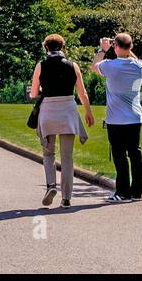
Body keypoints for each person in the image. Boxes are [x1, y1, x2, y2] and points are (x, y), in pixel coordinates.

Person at [31, 34, 94, 208]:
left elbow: (34, 93)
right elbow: (82, 92)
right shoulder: (73, 66)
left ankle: (51, 185)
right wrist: (88, 112)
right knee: (67, 157)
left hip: (48, 112)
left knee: (48, 153)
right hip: (68, 111)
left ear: (46, 48)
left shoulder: (41, 65)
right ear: (63, 47)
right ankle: (66, 198)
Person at [95, 33, 142, 202]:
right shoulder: (139, 66)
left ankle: (123, 192)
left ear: (115, 47)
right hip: (135, 117)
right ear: (131, 47)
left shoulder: (110, 65)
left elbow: (95, 66)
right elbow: (133, 57)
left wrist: (103, 49)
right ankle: (136, 192)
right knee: (135, 153)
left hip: (116, 119)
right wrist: (125, 47)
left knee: (119, 155)